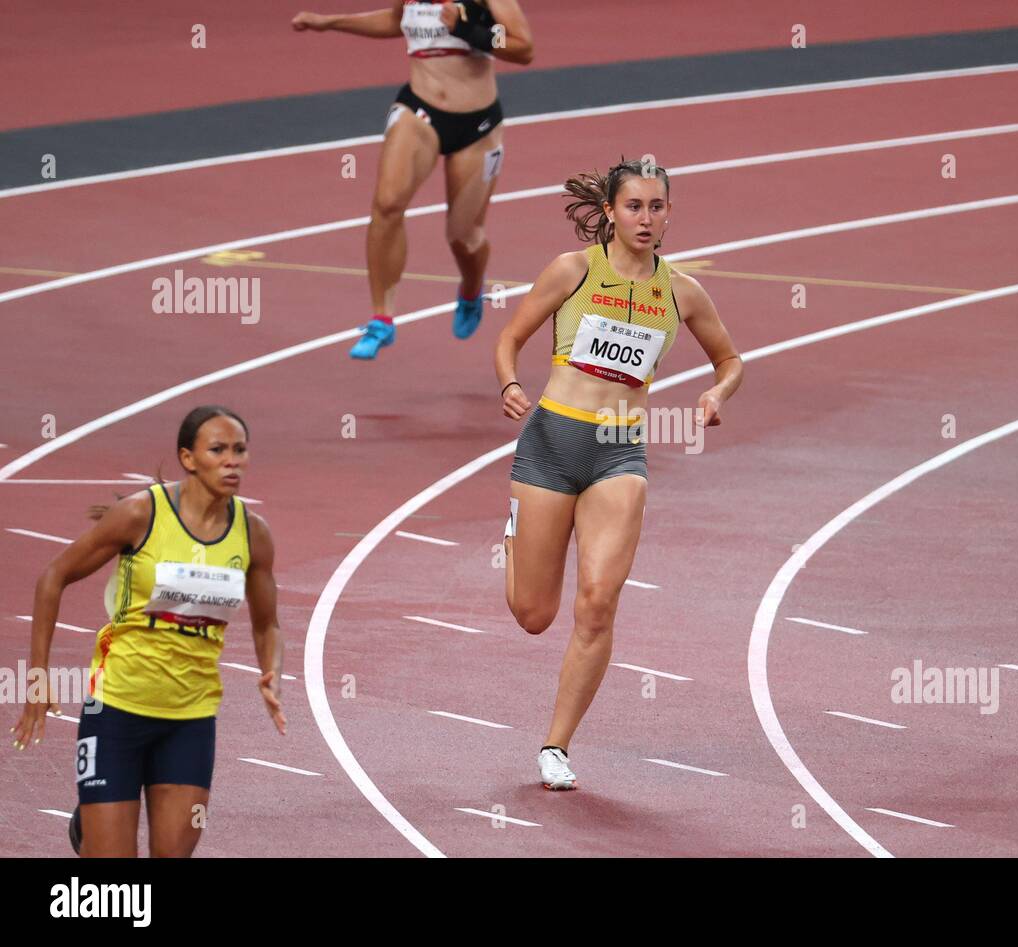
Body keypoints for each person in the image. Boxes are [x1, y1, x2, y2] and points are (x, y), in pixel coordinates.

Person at [494, 159, 743, 788]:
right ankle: (517, 532)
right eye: (634, 206)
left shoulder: (682, 291)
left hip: (619, 451)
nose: (646, 218)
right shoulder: (573, 270)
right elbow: (510, 337)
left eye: (657, 207)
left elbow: (731, 359)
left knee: (599, 603)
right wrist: (510, 382)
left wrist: (717, 395)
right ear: (609, 211)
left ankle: (557, 746)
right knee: (532, 614)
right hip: (551, 440)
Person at [9, 406, 286, 856]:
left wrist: (270, 670)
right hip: (118, 710)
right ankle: (96, 826)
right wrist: (37, 681)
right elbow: (52, 578)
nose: (232, 460)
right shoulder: (140, 514)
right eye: (218, 450)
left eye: (240, 450)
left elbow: (267, 624)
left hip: (191, 718)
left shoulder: (253, 535)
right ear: (188, 458)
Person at [292, 1, 534, 356]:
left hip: (478, 125)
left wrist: (467, 31)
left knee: (463, 235)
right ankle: (381, 320)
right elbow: (395, 20)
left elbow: (523, 49)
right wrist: (329, 22)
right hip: (419, 111)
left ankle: (471, 288)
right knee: (387, 204)